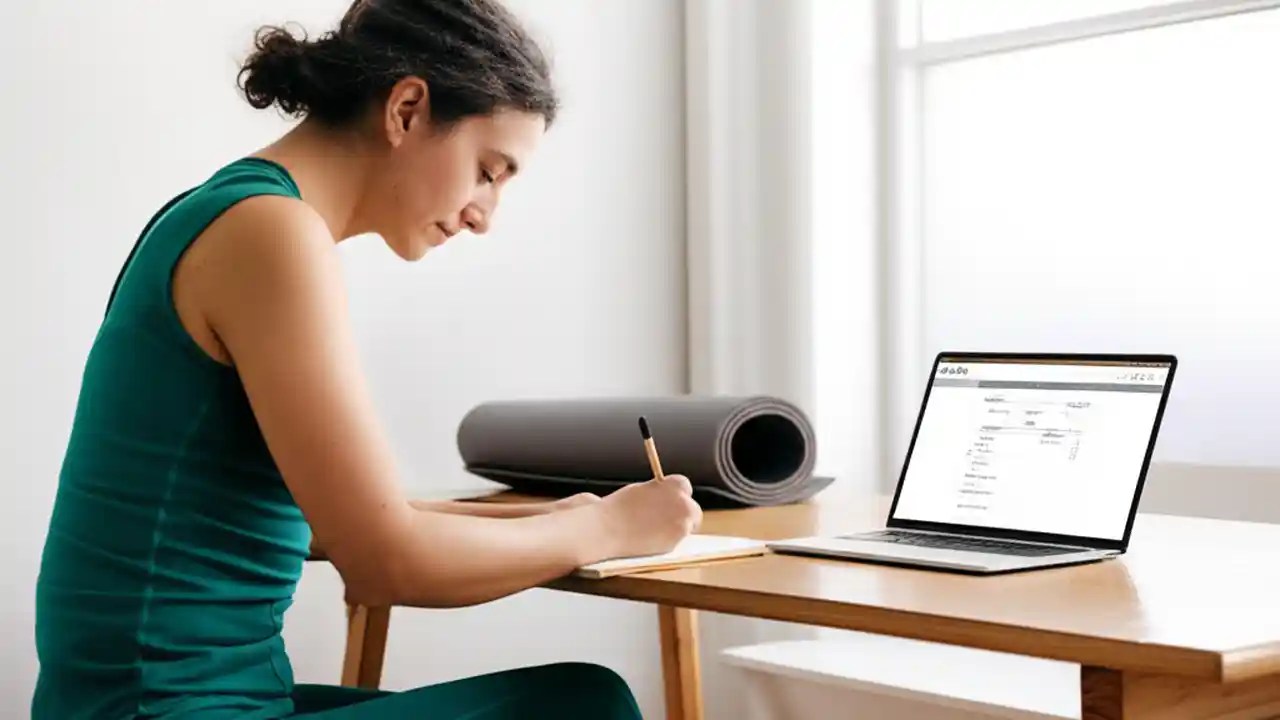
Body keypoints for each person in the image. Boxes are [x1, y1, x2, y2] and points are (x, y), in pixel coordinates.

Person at [32, 0, 703, 717]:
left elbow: (331, 518)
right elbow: (384, 558)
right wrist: (601, 530)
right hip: (165, 710)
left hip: (183, 699)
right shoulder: (270, 235)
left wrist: (562, 518)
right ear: (408, 109)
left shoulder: (221, 212)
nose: (486, 214)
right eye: (488, 170)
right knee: (583, 704)